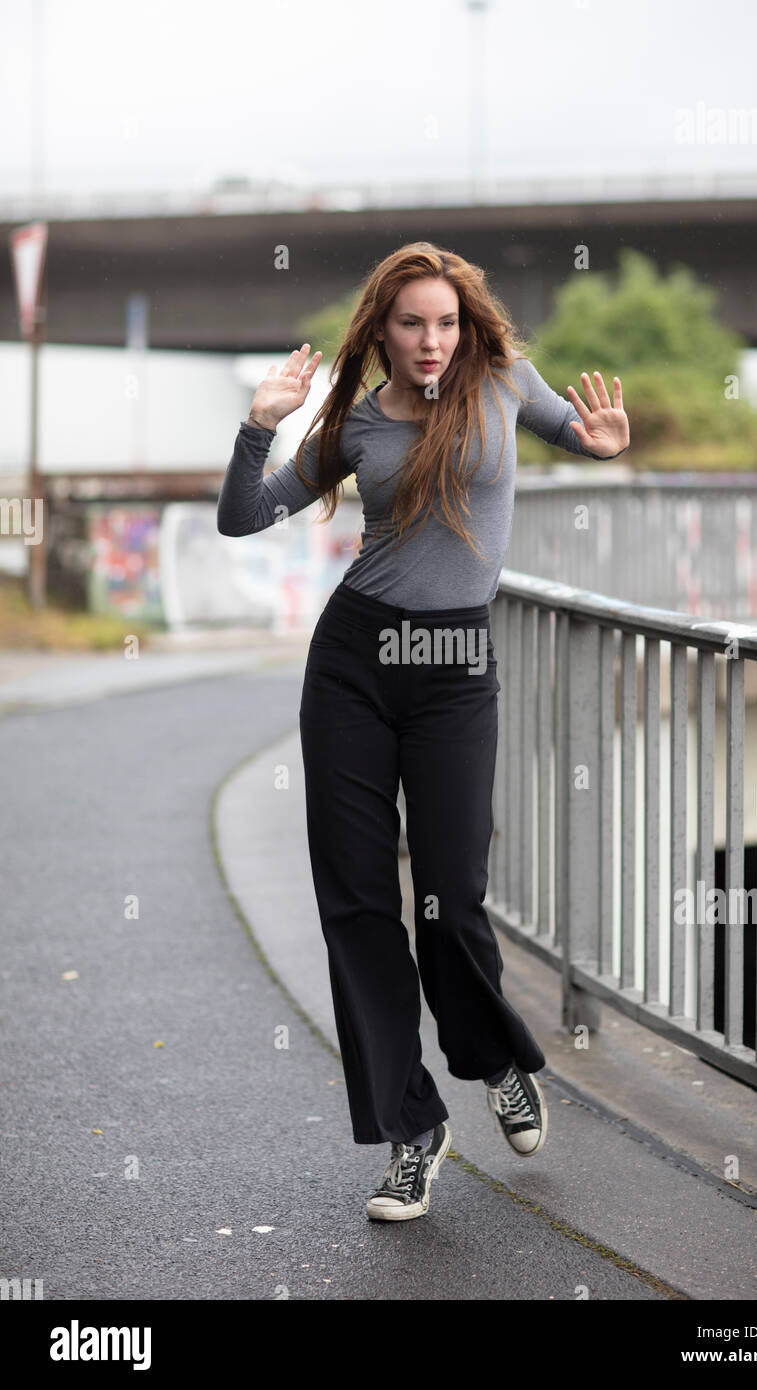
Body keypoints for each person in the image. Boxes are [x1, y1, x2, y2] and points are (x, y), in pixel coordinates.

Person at [217, 241, 630, 1222]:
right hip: (353, 665)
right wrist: (256, 426)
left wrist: (598, 442)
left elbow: (576, 433)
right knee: (357, 904)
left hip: (451, 675)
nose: (431, 338)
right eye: (411, 322)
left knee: (449, 897)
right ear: (383, 329)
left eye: (444, 320)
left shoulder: (501, 383)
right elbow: (243, 516)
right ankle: (411, 1129)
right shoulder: (354, 424)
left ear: (465, 323)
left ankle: (494, 1060)